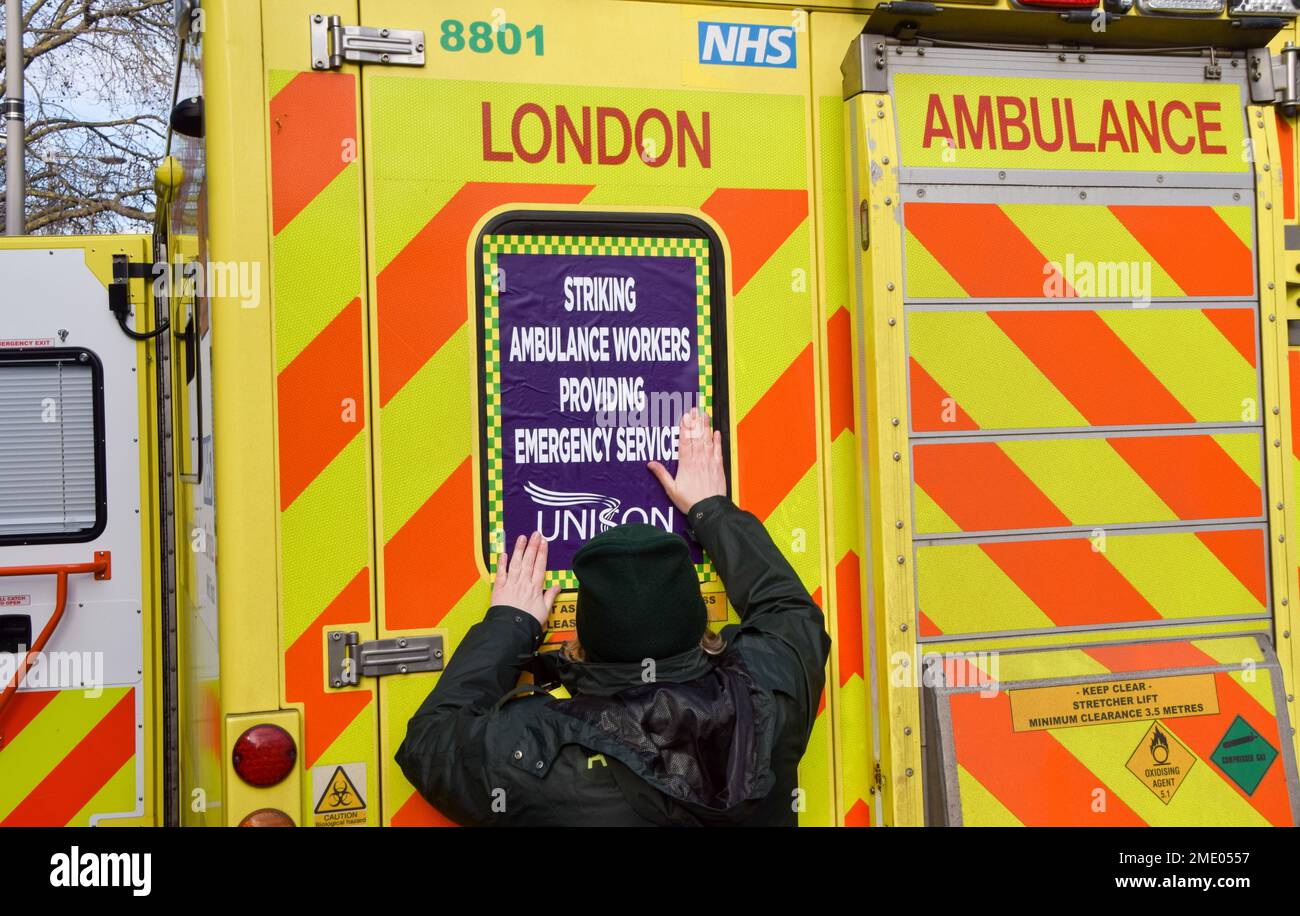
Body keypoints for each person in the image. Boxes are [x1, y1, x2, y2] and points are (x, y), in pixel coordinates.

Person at [394, 409, 830, 825]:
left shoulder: (543, 758)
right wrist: (710, 508)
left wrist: (510, 623)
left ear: (582, 646)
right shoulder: (770, 697)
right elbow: (790, 612)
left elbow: (429, 742)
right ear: (702, 631)